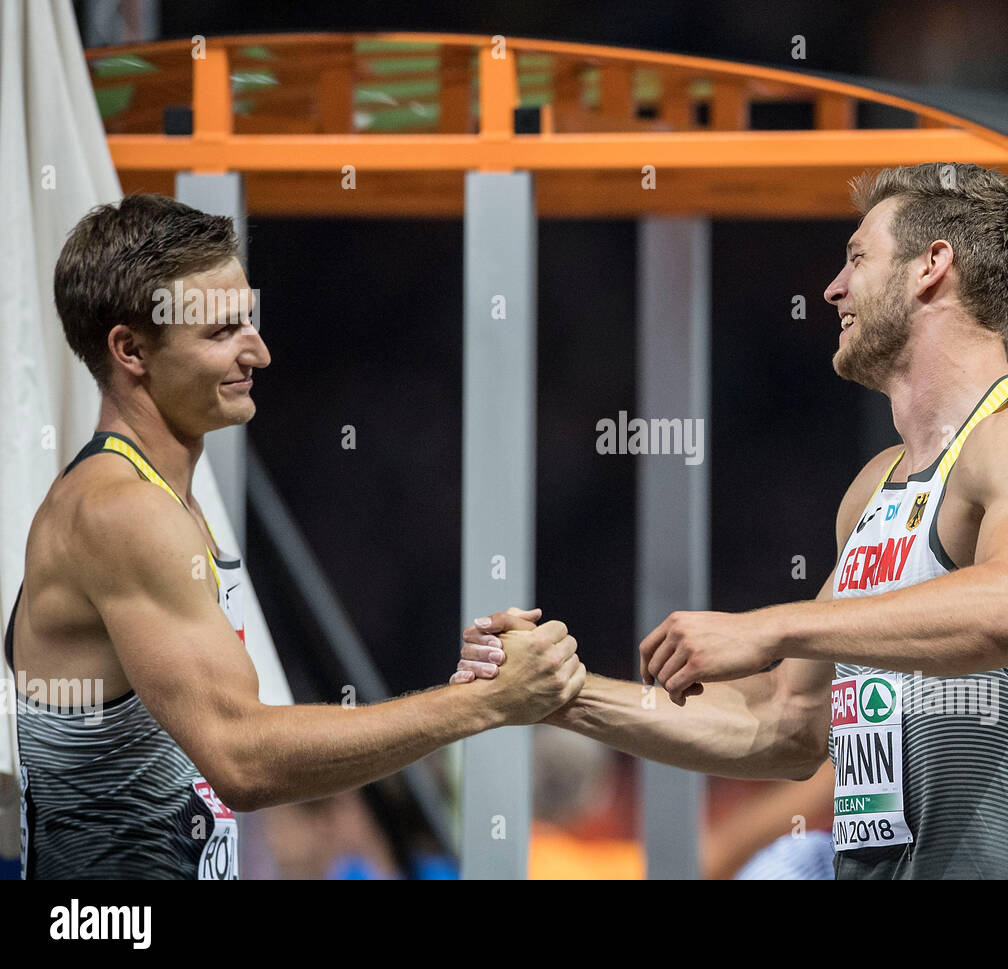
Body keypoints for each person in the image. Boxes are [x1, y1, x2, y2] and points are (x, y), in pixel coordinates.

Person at [460, 162, 1008, 879]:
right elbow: (789, 719)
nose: (833, 288)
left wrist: (770, 625)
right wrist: (556, 695)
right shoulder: (874, 489)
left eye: (857, 258)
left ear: (932, 267)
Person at [3, 194, 584, 879]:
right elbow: (242, 758)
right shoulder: (120, 510)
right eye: (222, 332)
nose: (260, 351)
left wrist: (465, 690)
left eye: (251, 320)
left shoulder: (161, 502)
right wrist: (477, 702)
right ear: (131, 349)